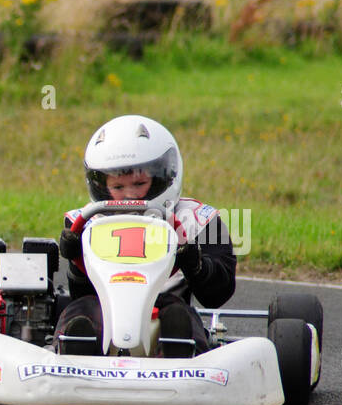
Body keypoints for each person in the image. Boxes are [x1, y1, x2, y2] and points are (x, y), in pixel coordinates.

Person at [55, 115, 237, 358]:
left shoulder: (198, 220)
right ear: (101, 185)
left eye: (139, 183)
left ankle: (178, 357)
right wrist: (76, 263)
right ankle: (76, 355)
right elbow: (81, 292)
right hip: (104, 310)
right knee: (81, 310)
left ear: (163, 176)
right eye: (118, 188)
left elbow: (218, 294)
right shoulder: (85, 221)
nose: (130, 195)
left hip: (164, 310)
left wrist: (196, 265)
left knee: (177, 315)